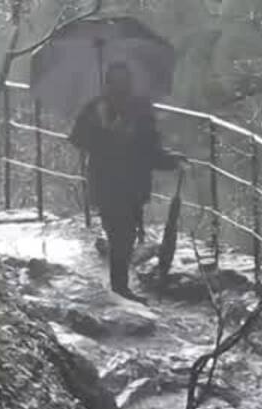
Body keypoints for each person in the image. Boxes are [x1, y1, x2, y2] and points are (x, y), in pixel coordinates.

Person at [69, 61, 179, 301]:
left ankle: (120, 287)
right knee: (122, 234)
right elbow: (77, 138)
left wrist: (170, 160)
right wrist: (103, 132)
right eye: (116, 81)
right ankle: (120, 288)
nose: (121, 86)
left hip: (133, 182)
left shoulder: (140, 108)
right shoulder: (96, 109)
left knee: (125, 234)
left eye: (124, 80)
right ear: (108, 83)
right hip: (107, 181)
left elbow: (149, 147)